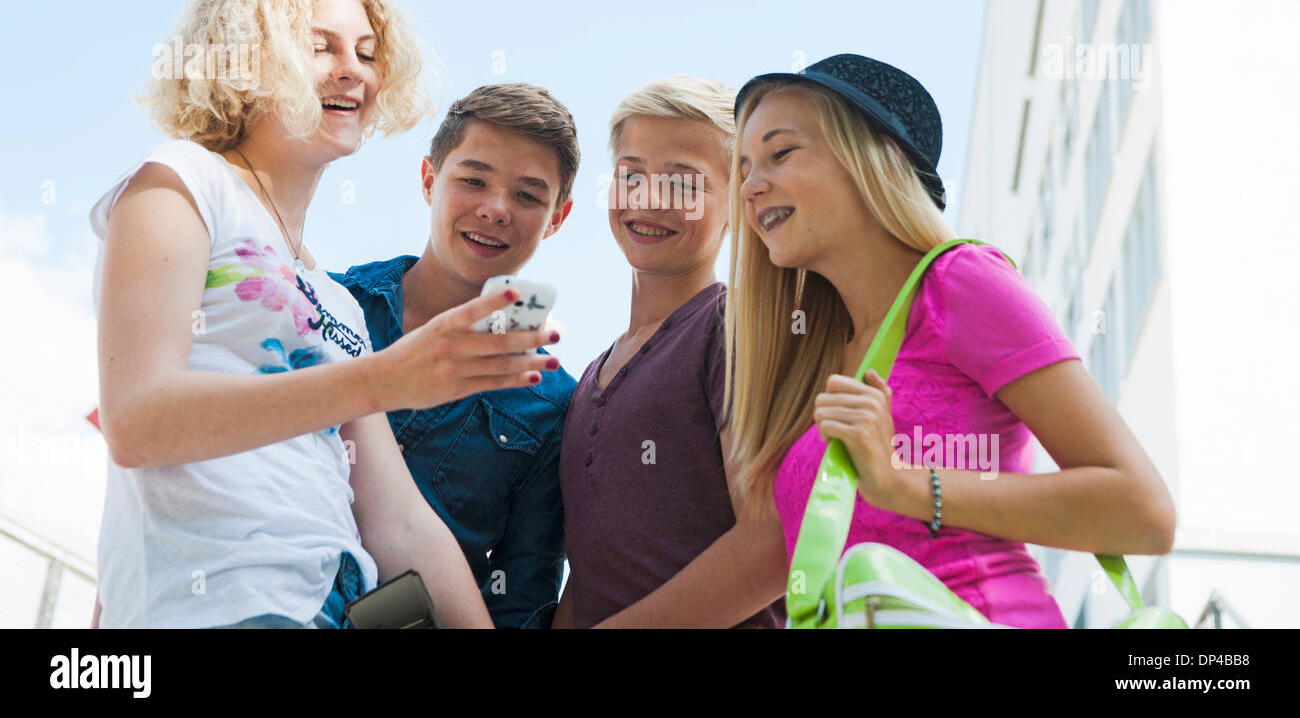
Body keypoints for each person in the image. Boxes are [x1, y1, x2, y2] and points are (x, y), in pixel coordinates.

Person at [89, 0, 556, 628]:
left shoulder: (334, 300)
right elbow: (137, 423)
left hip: (331, 609)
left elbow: (399, 523)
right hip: (227, 603)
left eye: (367, 54)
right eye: (319, 47)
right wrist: (385, 379)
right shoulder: (180, 183)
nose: (353, 72)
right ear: (245, 57)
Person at [724, 53, 1176, 628]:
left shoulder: (961, 283)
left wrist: (904, 484)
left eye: (780, 153)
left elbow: (1143, 511)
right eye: (744, 168)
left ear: (873, 161)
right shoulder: (813, 359)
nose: (751, 186)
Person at [330, 83, 578, 628]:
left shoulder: (554, 404)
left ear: (558, 218)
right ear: (428, 180)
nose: (495, 210)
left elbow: (521, 598)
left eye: (528, 196)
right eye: (473, 180)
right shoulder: (329, 305)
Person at [554, 76, 788, 629]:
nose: (648, 199)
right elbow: (587, 578)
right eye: (630, 174)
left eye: (684, 184)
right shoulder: (591, 376)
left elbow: (772, 540)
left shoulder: (731, 328)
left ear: (738, 202)